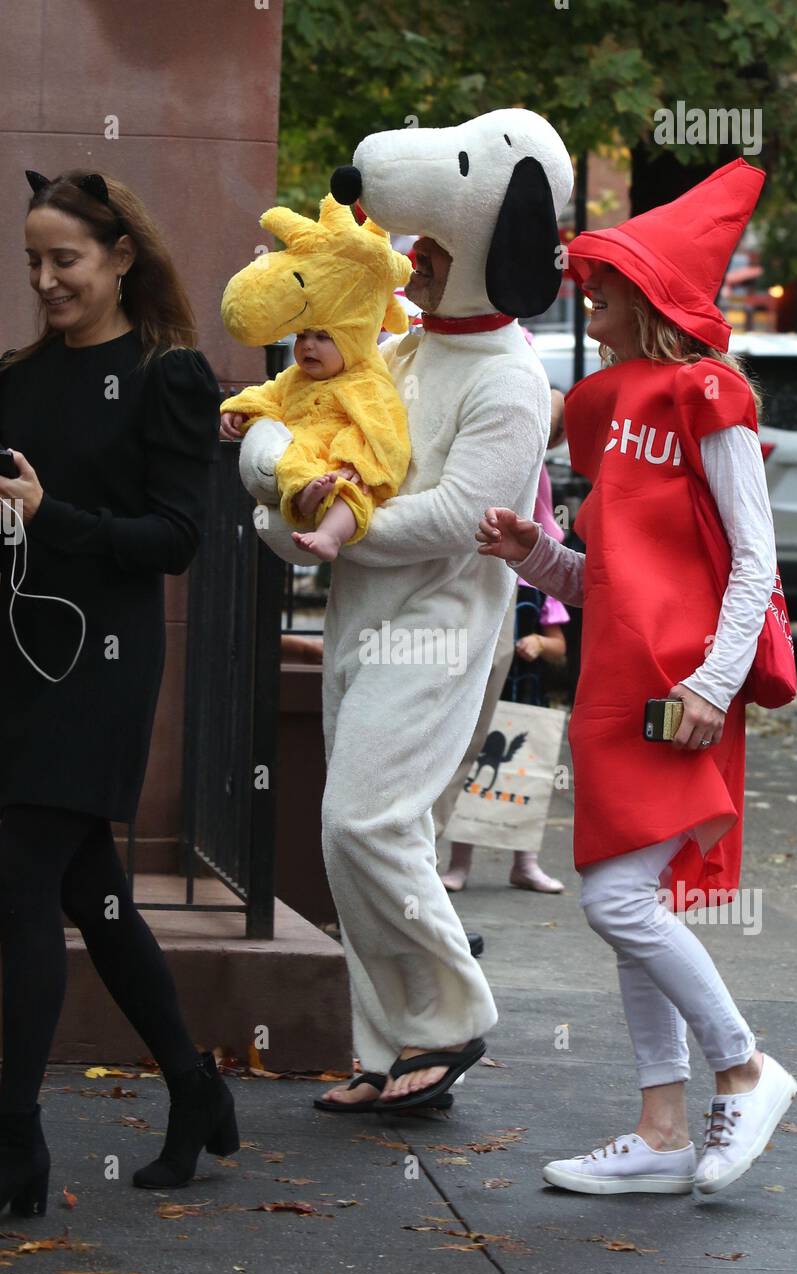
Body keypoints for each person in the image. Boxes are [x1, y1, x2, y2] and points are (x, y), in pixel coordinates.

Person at [239, 109, 574, 1113]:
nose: (410, 263)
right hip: (362, 615)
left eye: (428, 250)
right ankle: (388, 1048)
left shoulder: (513, 377)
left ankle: (452, 1017)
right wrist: (284, 498)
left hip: (437, 628)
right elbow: (314, 437)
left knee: (362, 822)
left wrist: (333, 510)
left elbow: (458, 519)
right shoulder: (409, 350)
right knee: (388, 837)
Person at [477, 159, 797, 1197]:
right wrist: (532, 551)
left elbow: (754, 560)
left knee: (617, 900)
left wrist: (710, 682)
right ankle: (662, 1129)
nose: (587, 291)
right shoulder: (611, 407)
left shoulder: (712, 395)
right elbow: (605, 577)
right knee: (629, 897)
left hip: (674, 698)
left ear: (654, 291)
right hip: (617, 697)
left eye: (605, 280)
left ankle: (743, 1068)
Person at [0, 169, 232, 1226]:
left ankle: (15, 1138)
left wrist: (49, 514)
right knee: (90, 888)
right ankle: (192, 1084)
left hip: (107, 658)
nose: (46, 279)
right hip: (31, 648)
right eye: (33, 261)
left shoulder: (167, 375)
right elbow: (7, 553)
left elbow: (172, 541)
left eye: (67, 260)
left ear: (121, 257)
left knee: (23, 871)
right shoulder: (18, 374)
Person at [219, 195, 413, 562]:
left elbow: (383, 431)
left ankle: (328, 535)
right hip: (303, 455)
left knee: (351, 498)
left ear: (355, 338)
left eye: (323, 338)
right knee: (295, 464)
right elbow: (269, 394)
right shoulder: (295, 377)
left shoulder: (366, 382)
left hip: (342, 463)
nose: (308, 346)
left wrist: (357, 465)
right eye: (303, 336)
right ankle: (307, 496)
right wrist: (240, 410)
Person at [438, 441, 571, 896]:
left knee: (522, 779)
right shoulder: (492, 572)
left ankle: (525, 863)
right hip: (487, 691)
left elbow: (560, 647)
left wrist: (537, 641)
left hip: (524, 695)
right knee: (473, 768)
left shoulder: (546, 585)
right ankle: (459, 862)